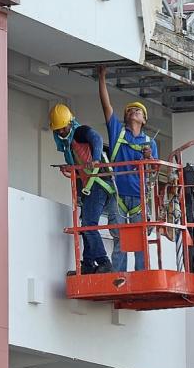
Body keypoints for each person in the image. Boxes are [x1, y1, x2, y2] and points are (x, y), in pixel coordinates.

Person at [97, 66, 159, 272]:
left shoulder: (150, 142)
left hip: (140, 197)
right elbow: (106, 107)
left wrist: (149, 158)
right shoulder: (118, 133)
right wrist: (102, 77)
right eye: (130, 110)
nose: (134, 111)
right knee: (120, 240)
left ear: (144, 120)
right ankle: (119, 277)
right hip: (120, 195)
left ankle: (141, 275)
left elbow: (153, 173)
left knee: (140, 240)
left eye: (138, 111)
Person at [49, 103, 113, 274]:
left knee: (88, 225)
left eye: (63, 128)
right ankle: (88, 264)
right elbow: (80, 165)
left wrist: (97, 158)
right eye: (59, 130)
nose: (61, 132)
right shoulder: (69, 144)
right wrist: (69, 168)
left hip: (99, 184)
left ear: (70, 123)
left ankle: (104, 262)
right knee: (86, 226)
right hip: (91, 187)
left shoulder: (79, 132)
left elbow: (97, 139)